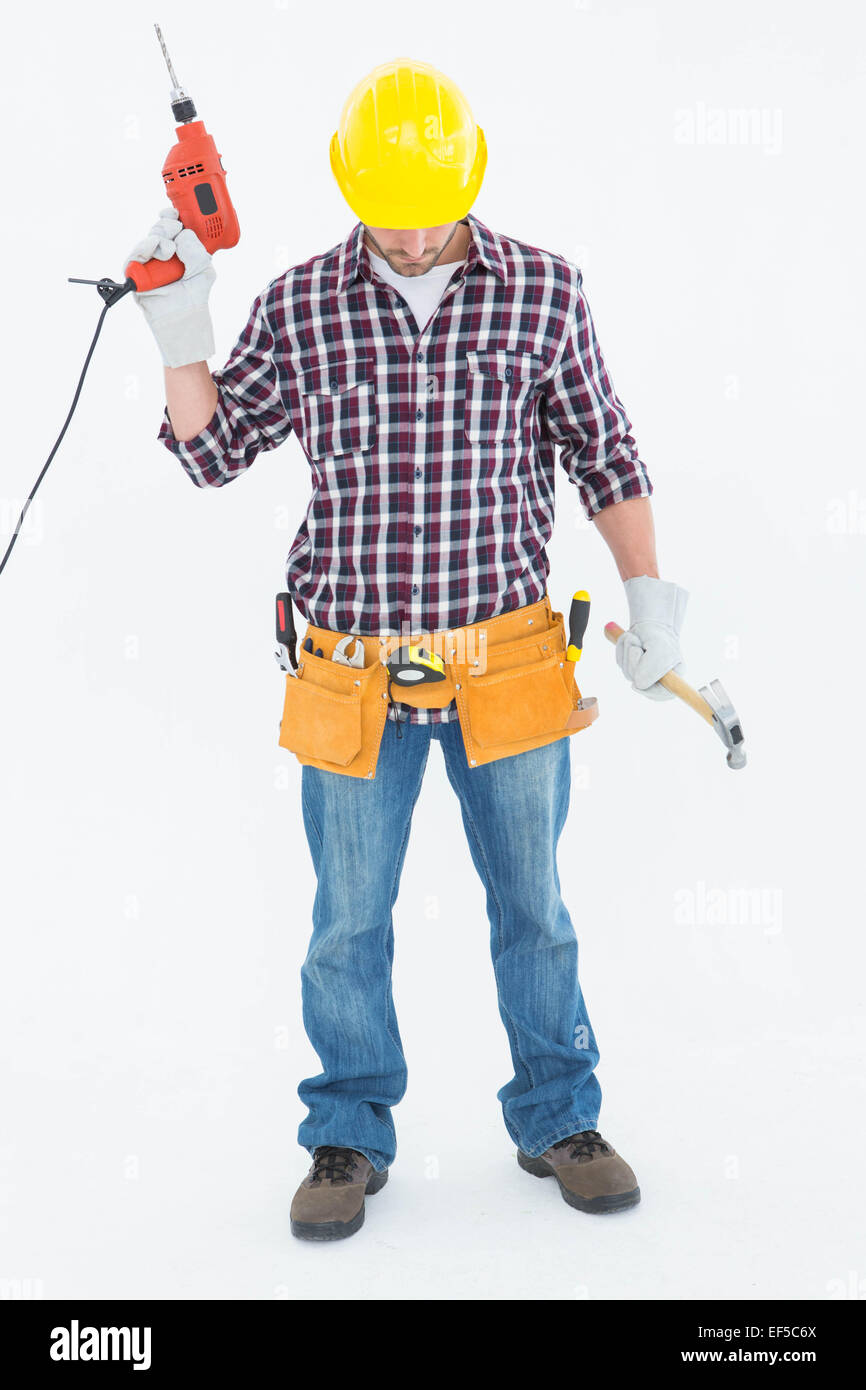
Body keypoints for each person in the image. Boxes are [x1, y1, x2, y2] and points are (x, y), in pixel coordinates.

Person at [128, 57, 689, 1243]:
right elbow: (212, 450)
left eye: (434, 202)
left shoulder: (541, 291)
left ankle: (557, 1118)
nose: (417, 228)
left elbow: (607, 453)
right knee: (346, 920)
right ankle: (346, 1133)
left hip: (511, 663)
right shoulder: (301, 305)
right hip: (351, 673)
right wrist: (181, 327)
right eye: (391, 205)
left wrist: (650, 597)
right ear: (351, 186)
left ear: (468, 177)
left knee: (534, 906)